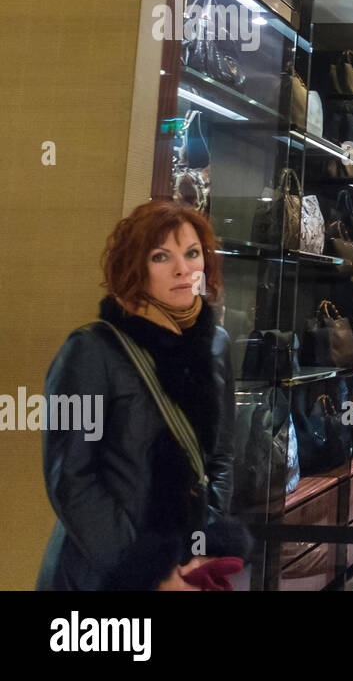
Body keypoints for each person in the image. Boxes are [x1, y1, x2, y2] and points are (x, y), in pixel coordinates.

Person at [38, 200, 247, 591]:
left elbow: (219, 457)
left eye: (192, 253)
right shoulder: (89, 350)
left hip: (184, 569)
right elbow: (70, 478)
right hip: (101, 574)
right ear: (135, 268)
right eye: (161, 256)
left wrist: (197, 550)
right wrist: (150, 572)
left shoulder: (215, 345)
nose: (183, 269)